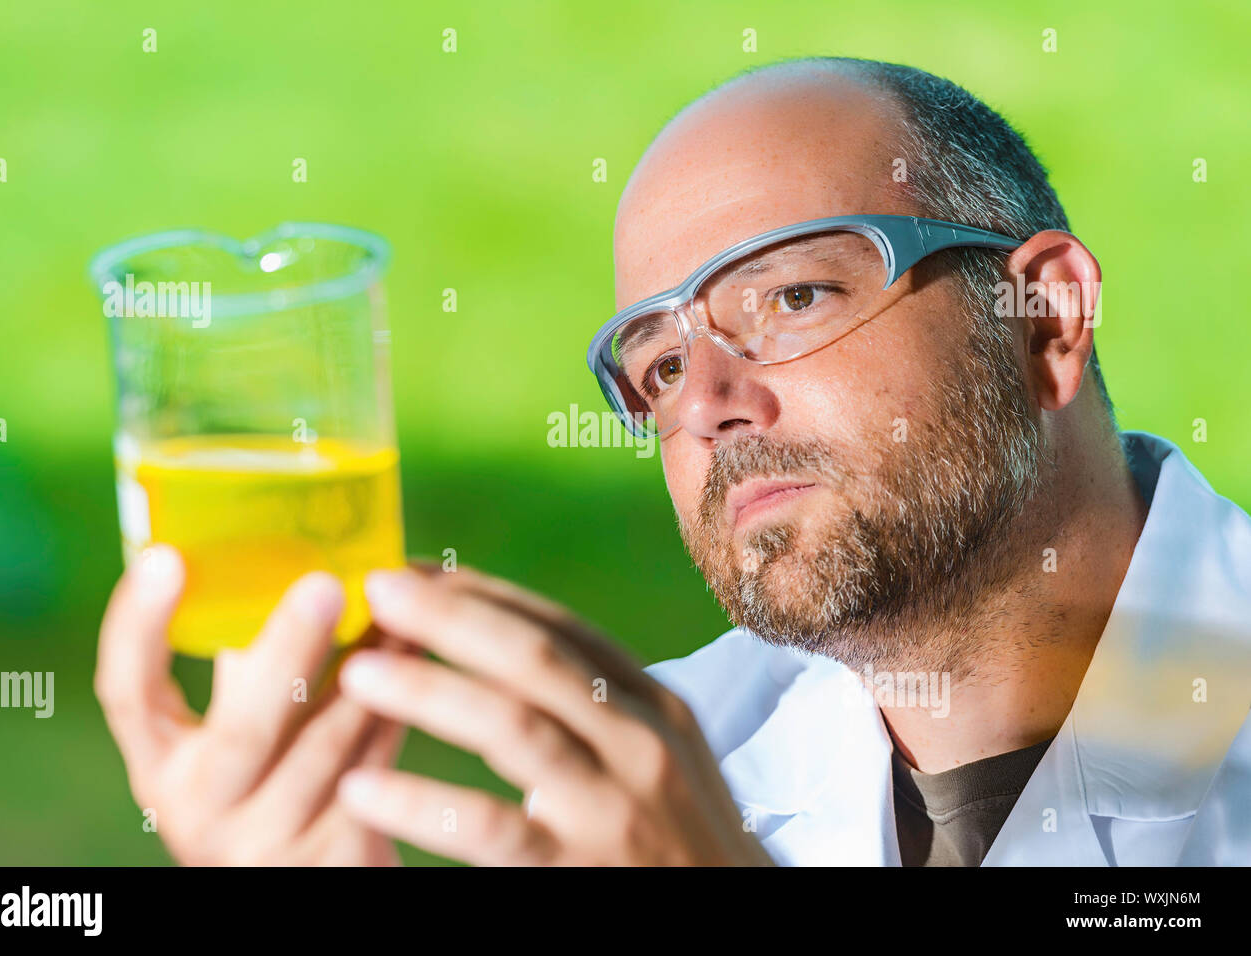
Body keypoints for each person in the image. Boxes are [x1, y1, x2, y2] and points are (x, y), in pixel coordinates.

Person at [95, 57, 1251, 866]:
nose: (703, 402)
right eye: (654, 366)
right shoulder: (676, 751)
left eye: (793, 297)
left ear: (1043, 313)